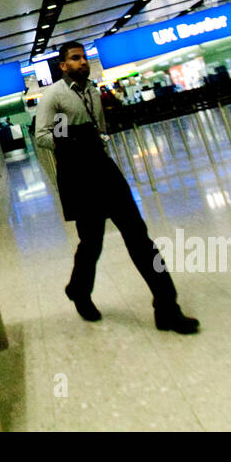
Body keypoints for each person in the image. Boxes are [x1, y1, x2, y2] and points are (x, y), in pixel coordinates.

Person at [35, 41, 199, 333]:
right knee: (92, 243)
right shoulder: (55, 97)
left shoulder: (92, 91)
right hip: (78, 176)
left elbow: (100, 128)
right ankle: (79, 289)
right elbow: (44, 136)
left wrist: (93, 141)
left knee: (139, 237)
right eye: (75, 58)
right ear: (63, 66)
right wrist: (72, 141)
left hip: (103, 169)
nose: (82, 62)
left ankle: (167, 306)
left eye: (84, 57)